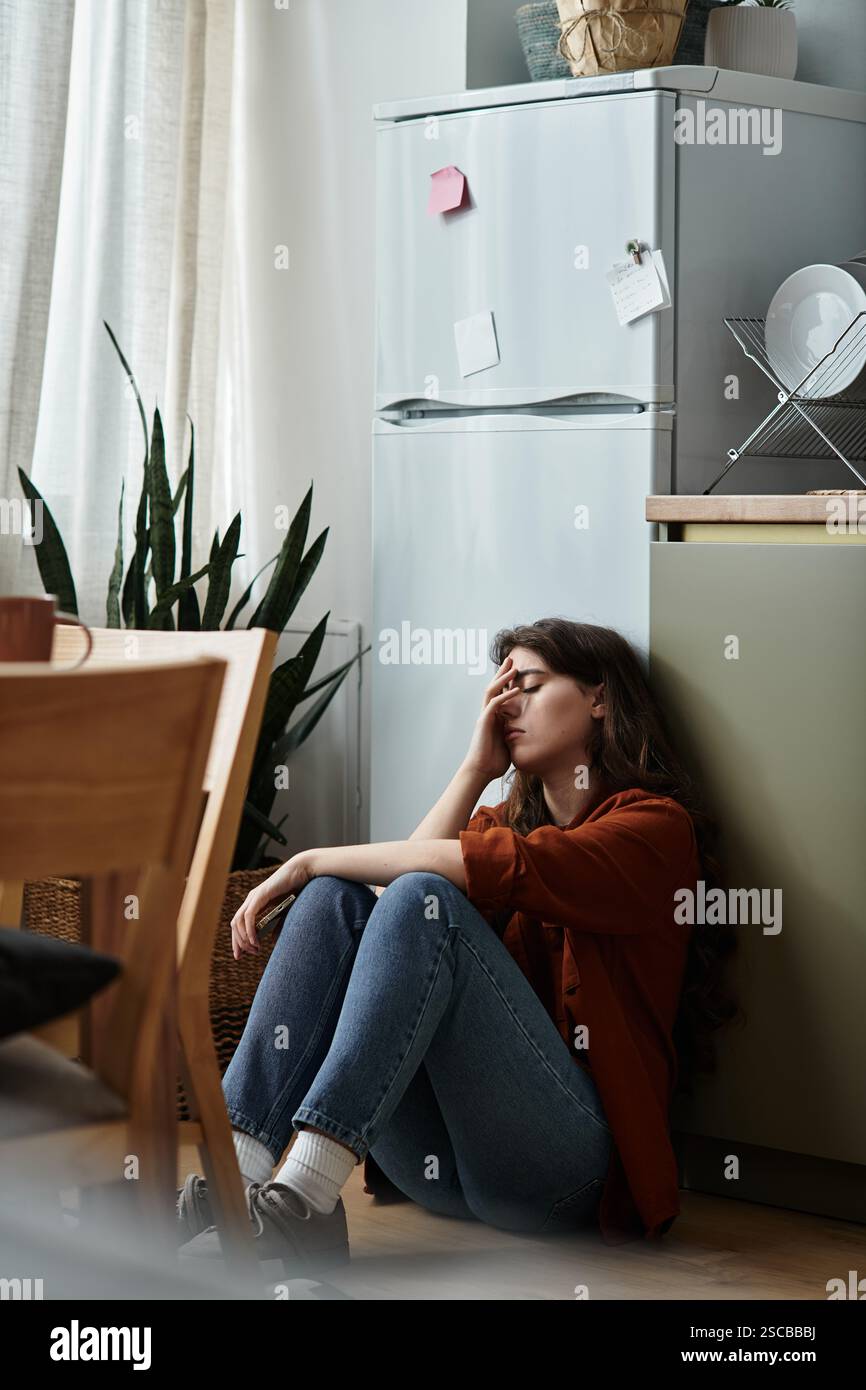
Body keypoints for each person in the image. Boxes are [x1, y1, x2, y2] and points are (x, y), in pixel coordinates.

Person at [177, 617, 739, 1272]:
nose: (507, 706)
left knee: (413, 895)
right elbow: (385, 915)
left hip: (564, 1175)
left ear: (599, 697)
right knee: (338, 897)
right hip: (440, 1165)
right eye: (498, 692)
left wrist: (306, 858)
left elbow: (475, 879)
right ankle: (231, 1182)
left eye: (527, 685)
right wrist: (475, 767)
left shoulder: (652, 829)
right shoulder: (503, 823)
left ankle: (300, 1198)